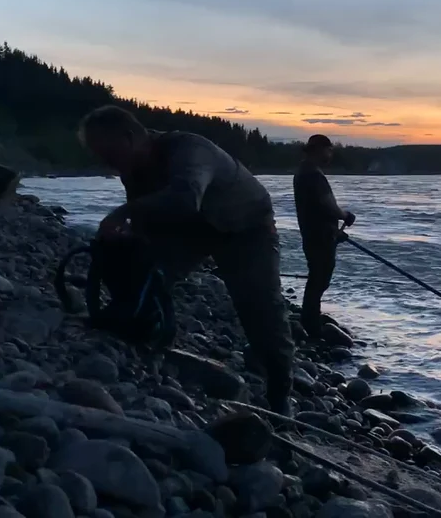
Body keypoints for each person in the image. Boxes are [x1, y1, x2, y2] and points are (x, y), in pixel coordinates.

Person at [77, 104, 294, 415]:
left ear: (129, 138)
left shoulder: (189, 149)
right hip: (190, 229)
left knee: (261, 309)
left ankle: (279, 395)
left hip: (246, 226)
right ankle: (138, 331)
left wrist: (122, 213)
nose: (109, 166)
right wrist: (125, 238)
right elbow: (145, 223)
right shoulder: (133, 171)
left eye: (110, 157)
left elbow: (185, 197)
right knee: (144, 268)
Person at [293, 134, 355, 338]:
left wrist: (336, 233)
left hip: (314, 234)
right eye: (329, 150)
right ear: (319, 150)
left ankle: (309, 320)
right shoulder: (313, 174)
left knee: (317, 278)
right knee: (319, 279)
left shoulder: (303, 171)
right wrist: (345, 215)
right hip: (320, 236)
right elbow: (327, 204)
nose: (331, 153)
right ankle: (311, 324)